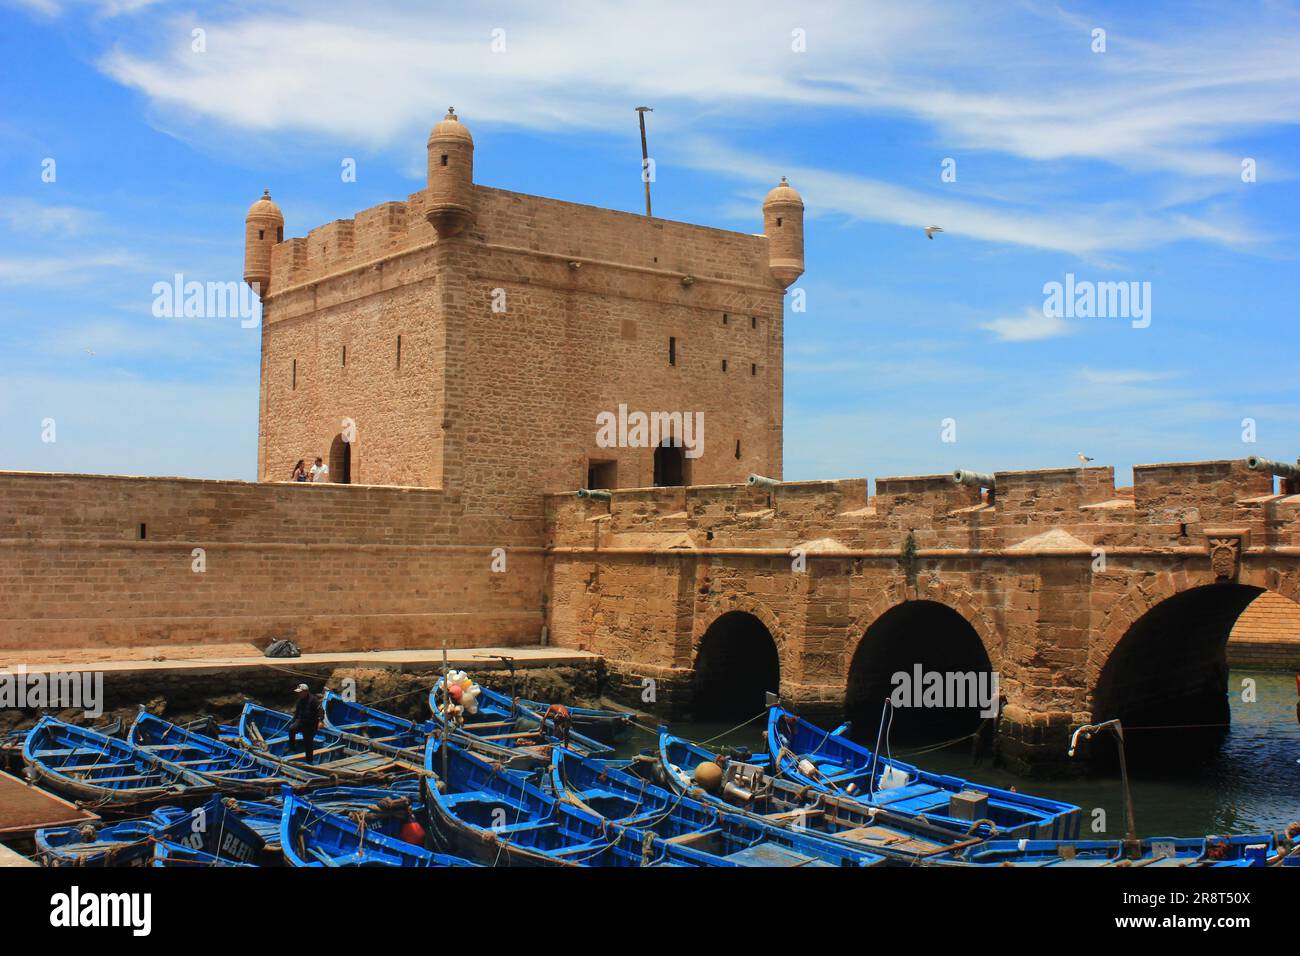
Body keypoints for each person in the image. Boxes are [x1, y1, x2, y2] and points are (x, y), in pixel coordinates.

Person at [288, 683, 323, 764]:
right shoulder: (299, 700)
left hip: (310, 724)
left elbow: (321, 711)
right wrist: (294, 720)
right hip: (301, 721)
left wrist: (320, 721)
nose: (298, 694)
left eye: (300, 692)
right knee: (291, 729)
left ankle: (309, 761)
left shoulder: (314, 700)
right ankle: (292, 747)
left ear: (305, 692)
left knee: (308, 743)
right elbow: (297, 712)